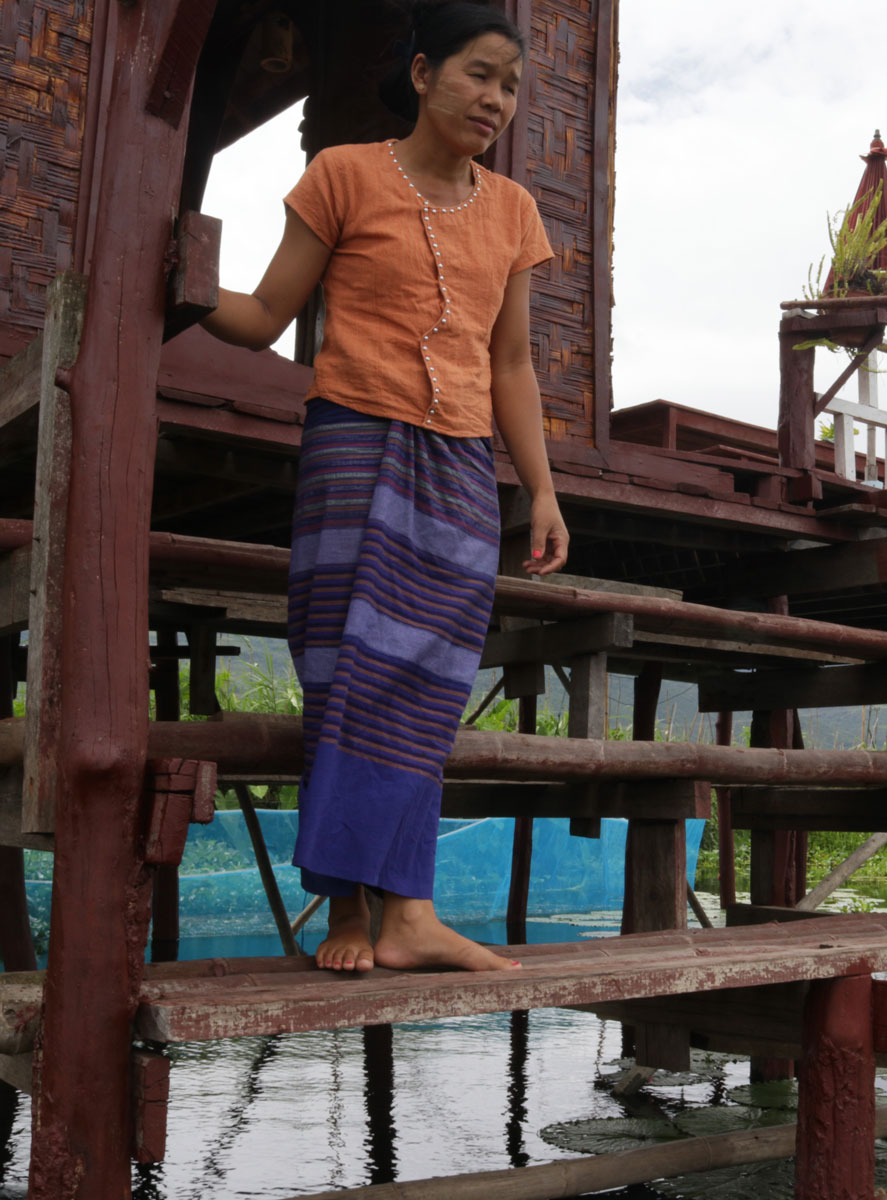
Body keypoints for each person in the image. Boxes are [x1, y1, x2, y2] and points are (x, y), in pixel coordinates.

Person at [199, 2, 568, 974]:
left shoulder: (515, 212)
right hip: (354, 446)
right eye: (480, 74)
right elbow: (270, 310)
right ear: (422, 73)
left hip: (459, 468)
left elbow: (513, 364)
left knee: (426, 681)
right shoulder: (344, 176)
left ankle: (407, 913)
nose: (497, 98)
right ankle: (355, 915)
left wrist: (542, 490)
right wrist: (188, 290)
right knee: (346, 667)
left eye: (511, 84)